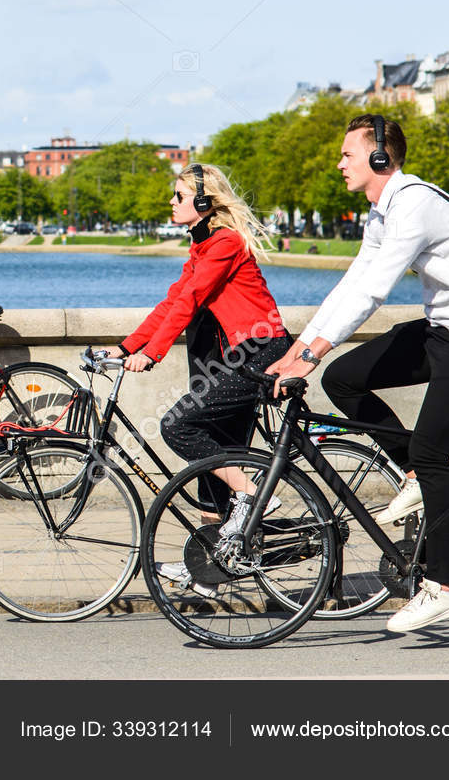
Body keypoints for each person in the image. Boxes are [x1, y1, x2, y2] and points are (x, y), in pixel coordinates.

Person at [268, 114, 449, 633]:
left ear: (381, 158)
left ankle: (444, 586)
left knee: (431, 449)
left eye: (347, 154)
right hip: (445, 328)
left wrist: (308, 354)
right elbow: (352, 283)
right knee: (343, 378)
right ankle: (415, 476)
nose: (339, 163)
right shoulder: (382, 212)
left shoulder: (414, 205)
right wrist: (303, 348)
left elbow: (374, 290)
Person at [103, 164, 292, 597]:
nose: (171, 202)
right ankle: (210, 566)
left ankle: (254, 492)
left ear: (205, 203)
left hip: (257, 351)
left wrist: (151, 354)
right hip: (233, 357)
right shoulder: (202, 248)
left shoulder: (224, 243)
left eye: (179, 195)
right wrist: (127, 347)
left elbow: (191, 301)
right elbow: (172, 302)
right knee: (211, 461)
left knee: (178, 426)